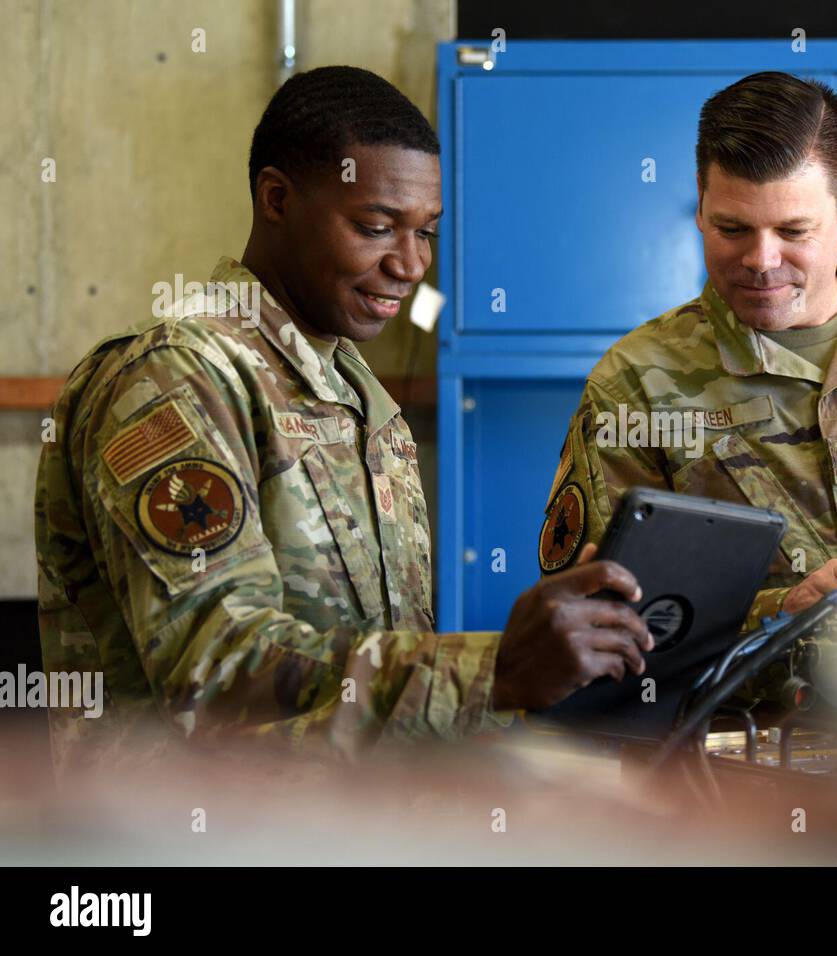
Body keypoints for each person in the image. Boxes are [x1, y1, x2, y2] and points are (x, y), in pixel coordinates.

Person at [33, 66, 652, 777]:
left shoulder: (354, 391)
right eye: (376, 227)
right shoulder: (175, 377)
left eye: (426, 233)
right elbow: (214, 665)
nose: (410, 263)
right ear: (276, 199)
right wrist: (494, 670)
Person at [538, 72, 837, 626]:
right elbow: (594, 620)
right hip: (744, 713)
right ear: (699, 206)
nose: (761, 261)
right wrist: (779, 615)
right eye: (732, 228)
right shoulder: (636, 383)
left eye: (793, 231)